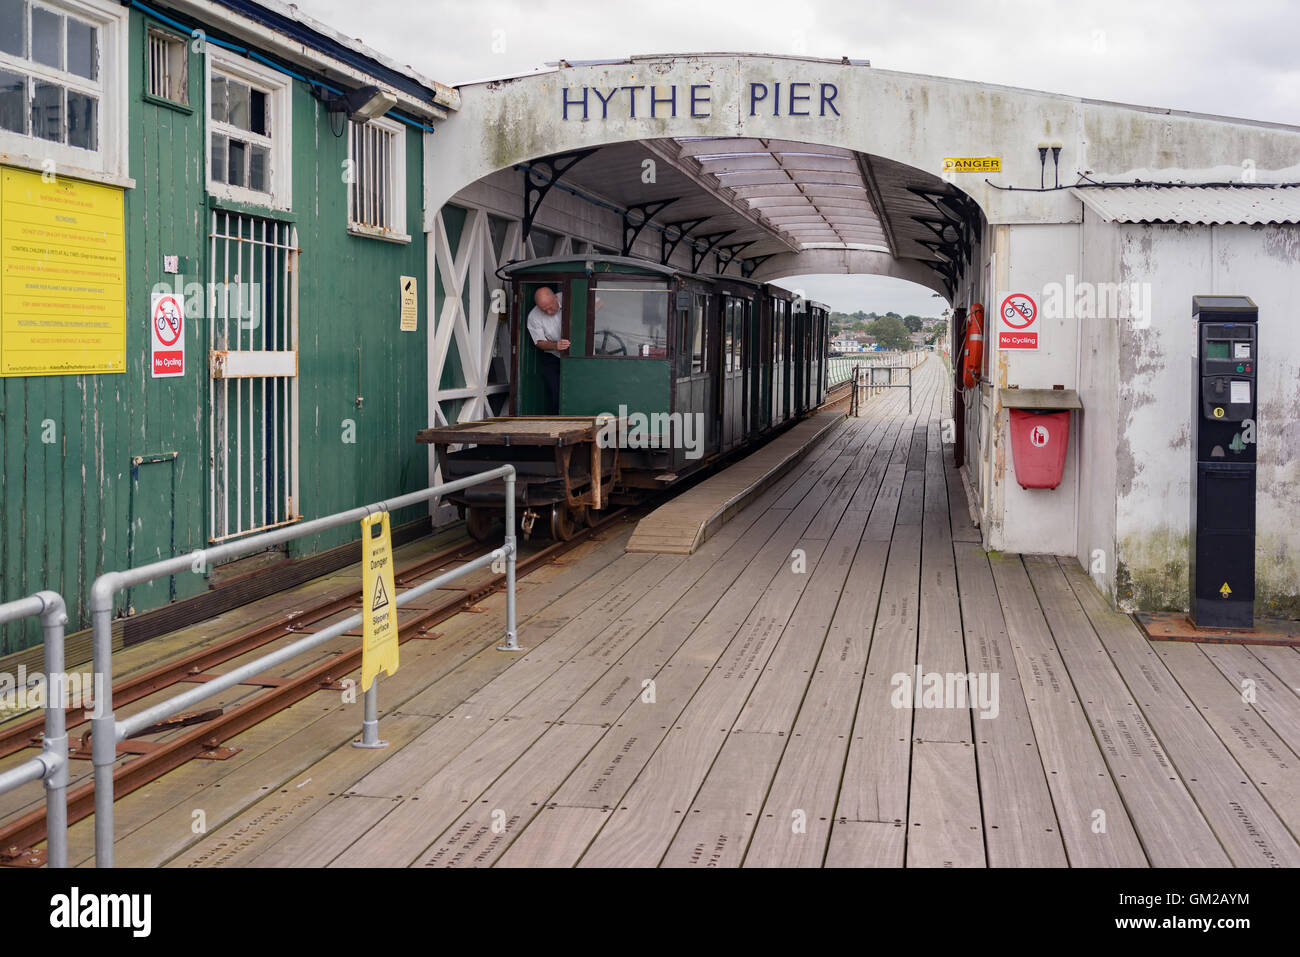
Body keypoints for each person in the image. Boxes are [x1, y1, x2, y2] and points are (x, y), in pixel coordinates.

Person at [526, 287, 569, 414]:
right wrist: (556, 346)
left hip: (580, 355)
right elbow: (539, 342)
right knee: (557, 395)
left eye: (551, 307)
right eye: (544, 310)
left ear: (556, 297)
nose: (549, 312)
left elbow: (599, 302)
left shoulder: (569, 294)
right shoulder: (533, 317)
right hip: (553, 358)